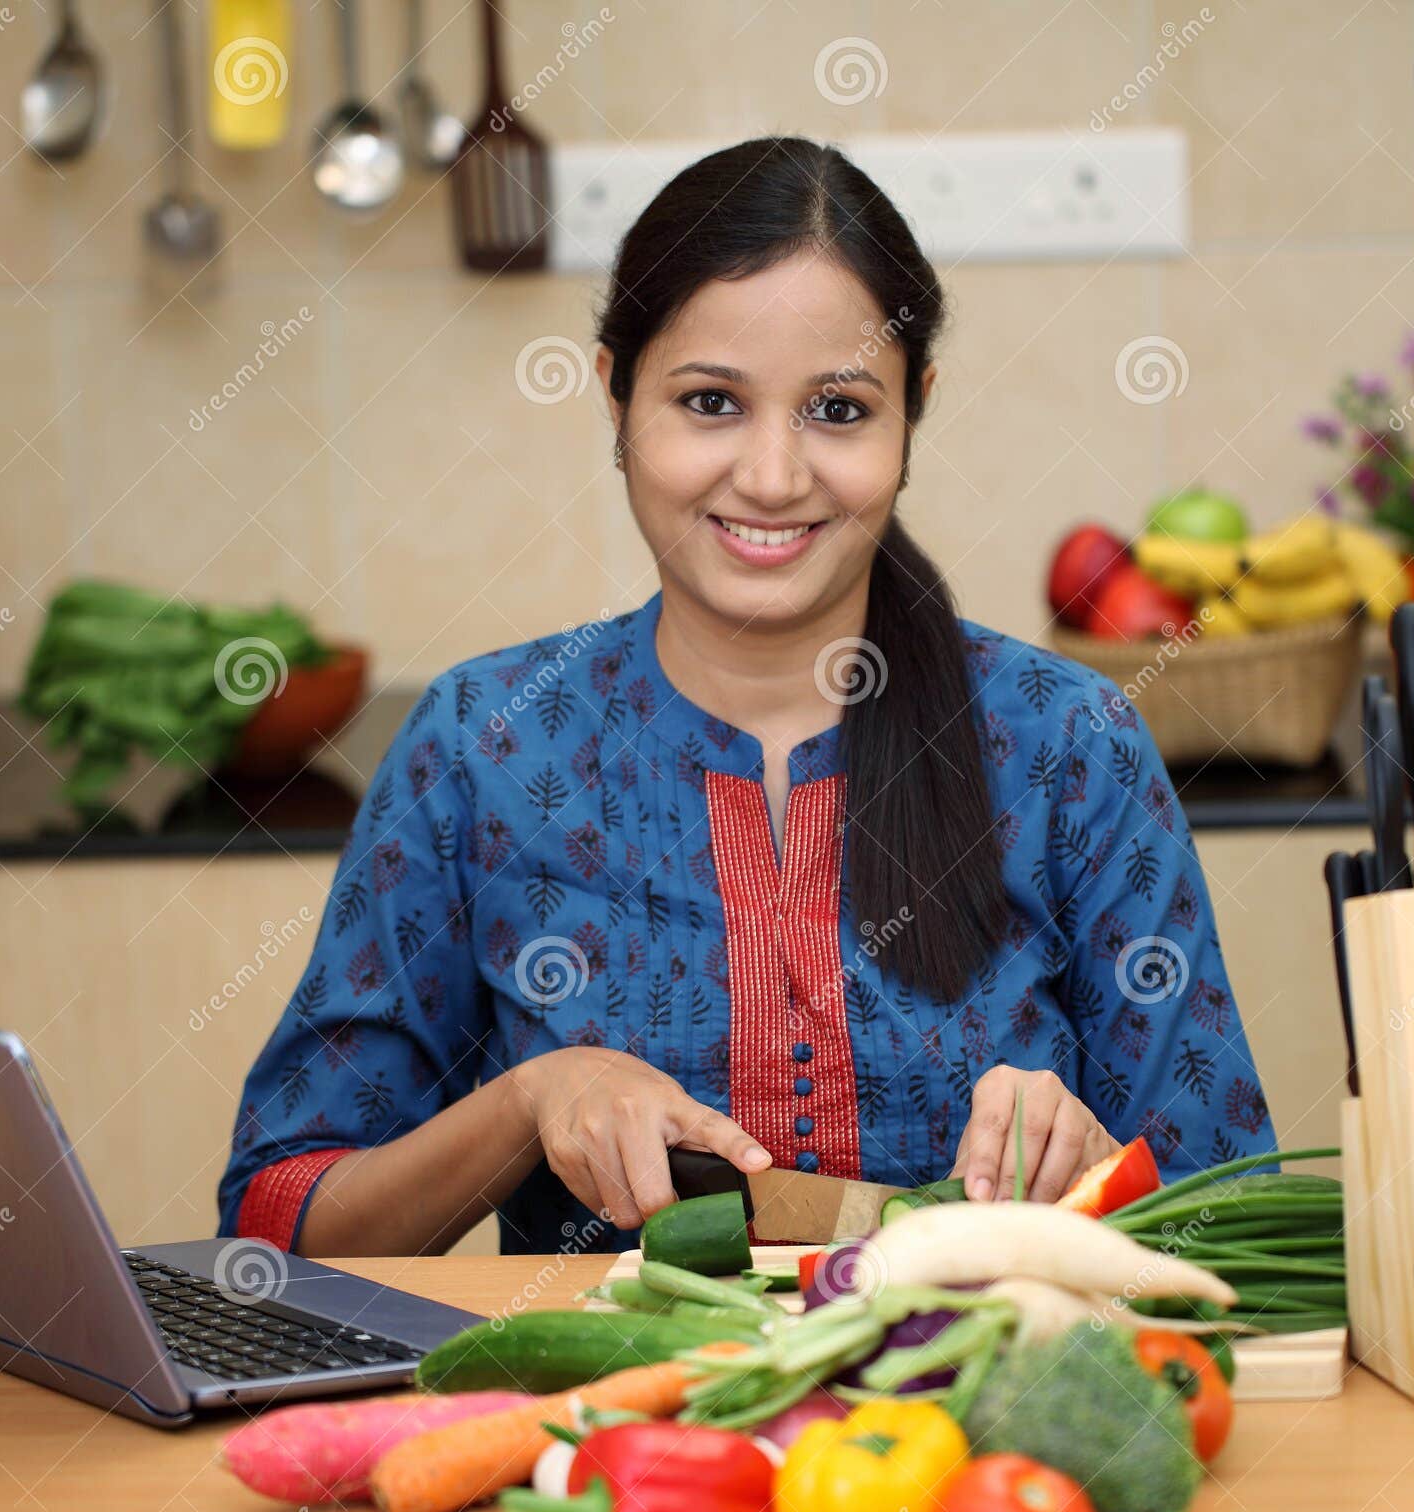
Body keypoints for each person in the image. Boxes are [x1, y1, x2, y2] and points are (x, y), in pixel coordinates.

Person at [217, 135, 1274, 1259]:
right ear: (615, 399)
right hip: (610, 1438)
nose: (772, 476)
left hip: (979, 1430)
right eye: (710, 401)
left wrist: (1091, 1158)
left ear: (913, 413)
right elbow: (279, 1225)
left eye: (838, 409)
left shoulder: (1070, 744)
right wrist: (530, 1100)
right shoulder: (484, 747)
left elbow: (1243, 1238)